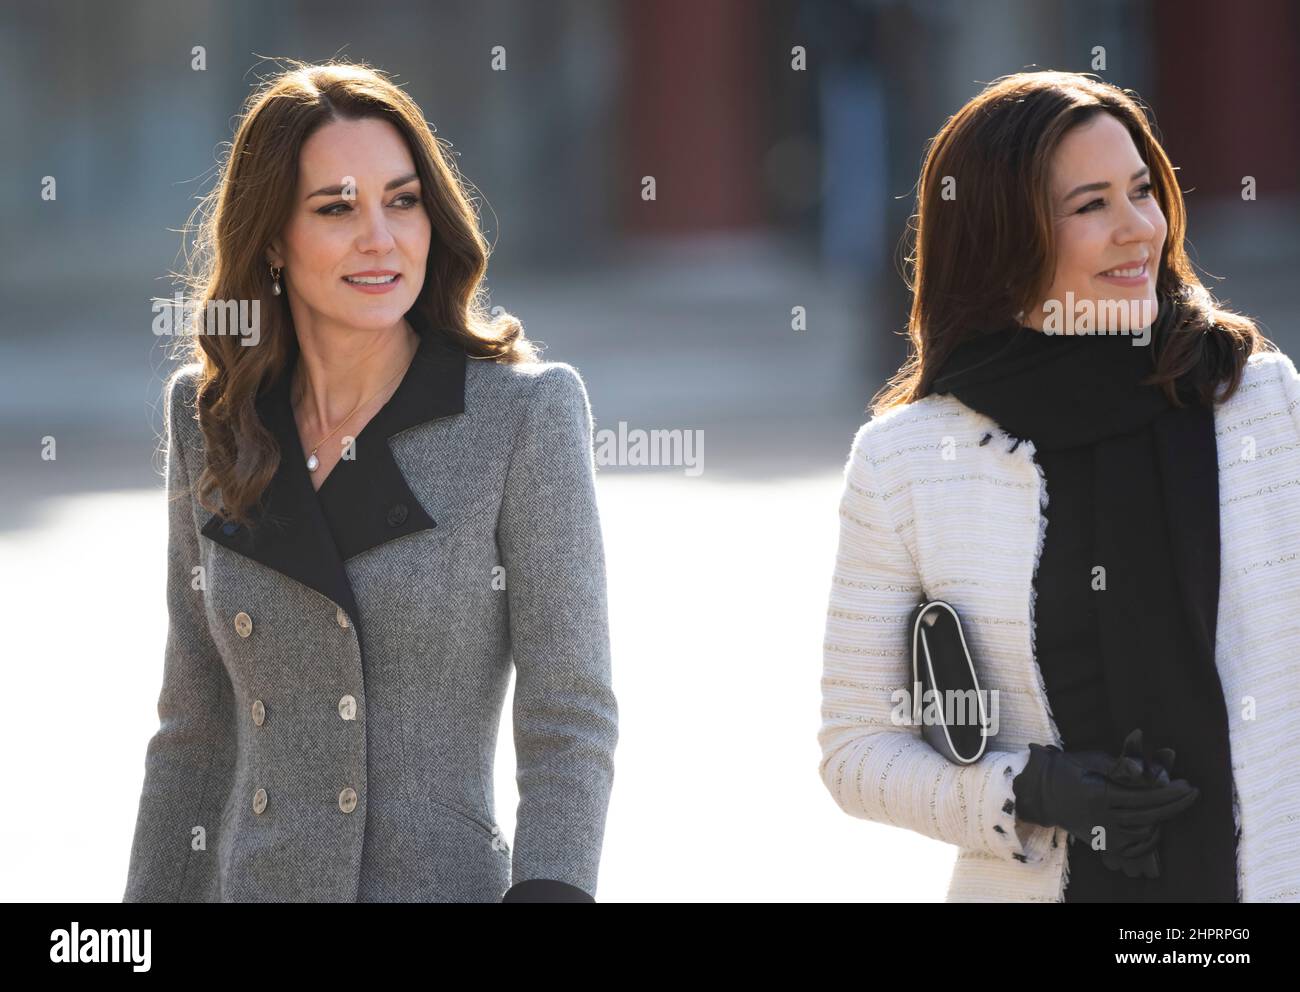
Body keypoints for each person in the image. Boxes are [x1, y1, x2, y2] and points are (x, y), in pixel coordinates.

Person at [124, 60, 618, 903]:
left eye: (402, 199)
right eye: (336, 208)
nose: (380, 238)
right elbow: (193, 730)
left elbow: (569, 718)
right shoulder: (210, 418)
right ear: (272, 238)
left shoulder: (520, 415)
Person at [818, 70, 1300, 902]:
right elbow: (857, 752)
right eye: (1091, 206)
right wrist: (1027, 791)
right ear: (1004, 238)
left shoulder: (1255, 400)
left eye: (1143, 191)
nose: (1138, 229)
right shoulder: (904, 461)